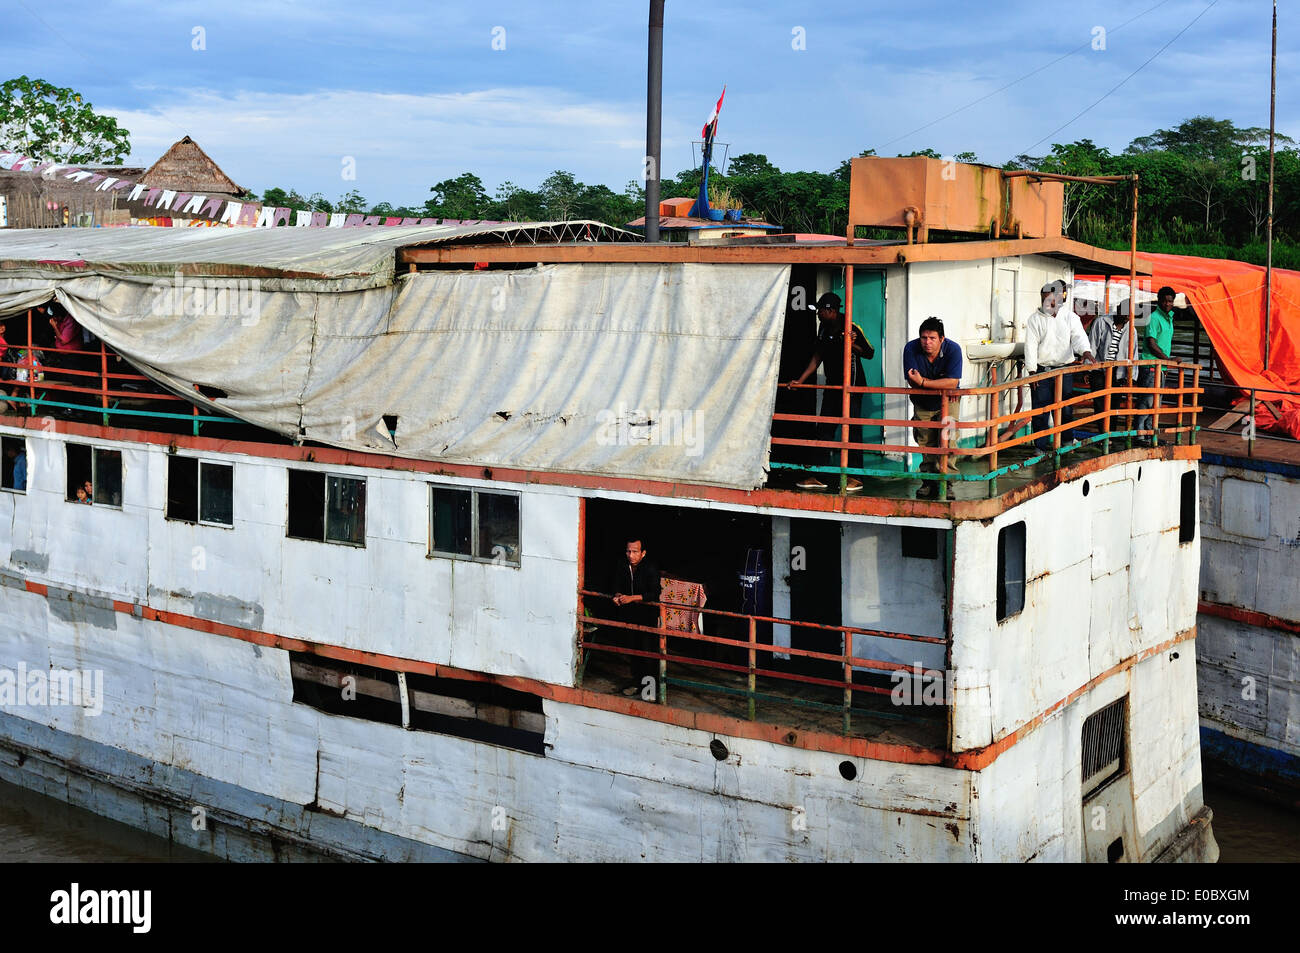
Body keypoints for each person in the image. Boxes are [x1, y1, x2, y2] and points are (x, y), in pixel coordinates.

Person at [786, 292, 875, 492]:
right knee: (824, 428)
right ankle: (818, 475)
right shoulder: (823, 328)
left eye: (820, 310)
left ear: (831, 311)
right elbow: (818, 356)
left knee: (852, 431)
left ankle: (855, 477)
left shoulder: (851, 327)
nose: (818, 313)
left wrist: (853, 345)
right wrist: (800, 380)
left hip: (851, 387)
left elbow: (869, 353)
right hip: (832, 386)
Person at [1024, 279, 1093, 451]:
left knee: (1066, 409)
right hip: (1042, 371)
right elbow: (1030, 345)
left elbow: (1079, 337)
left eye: (1051, 300)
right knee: (1040, 411)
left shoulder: (1070, 317)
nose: (1047, 304)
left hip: (1065, 370)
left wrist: (1086, 351)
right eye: (1044, 300)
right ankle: (1040, 447)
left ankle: (1066, 442)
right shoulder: (1034, 320)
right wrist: (1032, 371)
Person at [902, 317, 963, 499]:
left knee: (948, 439)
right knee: (925, 440)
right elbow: (912, 381)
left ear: (942, 339)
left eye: (932, 338)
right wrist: (938, 385)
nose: (927, 342)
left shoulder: (953, 349)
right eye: (924, 338)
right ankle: (928, 481)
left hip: (949, 401)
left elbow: (953, 381)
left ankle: (947, 482)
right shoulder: (911, 349)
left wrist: (924, 382)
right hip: (923, 402)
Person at [610, 537, 661, 698]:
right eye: (628, 551)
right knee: (633, 650)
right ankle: (636, 683)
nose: (630, 555)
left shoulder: (650, 568)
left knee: (648, 652)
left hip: (647, 616)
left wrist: (632, 598)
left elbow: (654, 593)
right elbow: (616, 586)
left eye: (635, 552)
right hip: (630, 614)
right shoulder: (622, 565)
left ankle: (651, 691)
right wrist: (617, 596)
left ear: (643, 553)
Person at [1086, 302, 1132, 434]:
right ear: (1117, 311)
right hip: (1099, 368)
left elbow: (1133, 352)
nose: (1127, 317)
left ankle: (1111, 433)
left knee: (1115, 403)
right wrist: (1088, 368)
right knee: (1100, 403)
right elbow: (1092, 345)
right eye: (1124, 313)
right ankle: (1103, 434)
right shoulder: (1101, 322)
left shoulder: (1131, 329)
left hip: (1118, 371)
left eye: (1129, 314)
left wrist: (1131, 375)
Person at [1136, 286, 1176, 439]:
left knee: (1156, 404)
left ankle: (1150, 434)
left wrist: (1166, 364)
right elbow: (1151, 344)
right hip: (1150, 366)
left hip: (1161, 367)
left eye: (1170, 301)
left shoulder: (1169, 318)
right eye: (1165, 301)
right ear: (1159, 301)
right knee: (1147, 402)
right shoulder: (1153, 318)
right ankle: (1139, 435)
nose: (1167, 304)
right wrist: (1168, 360)